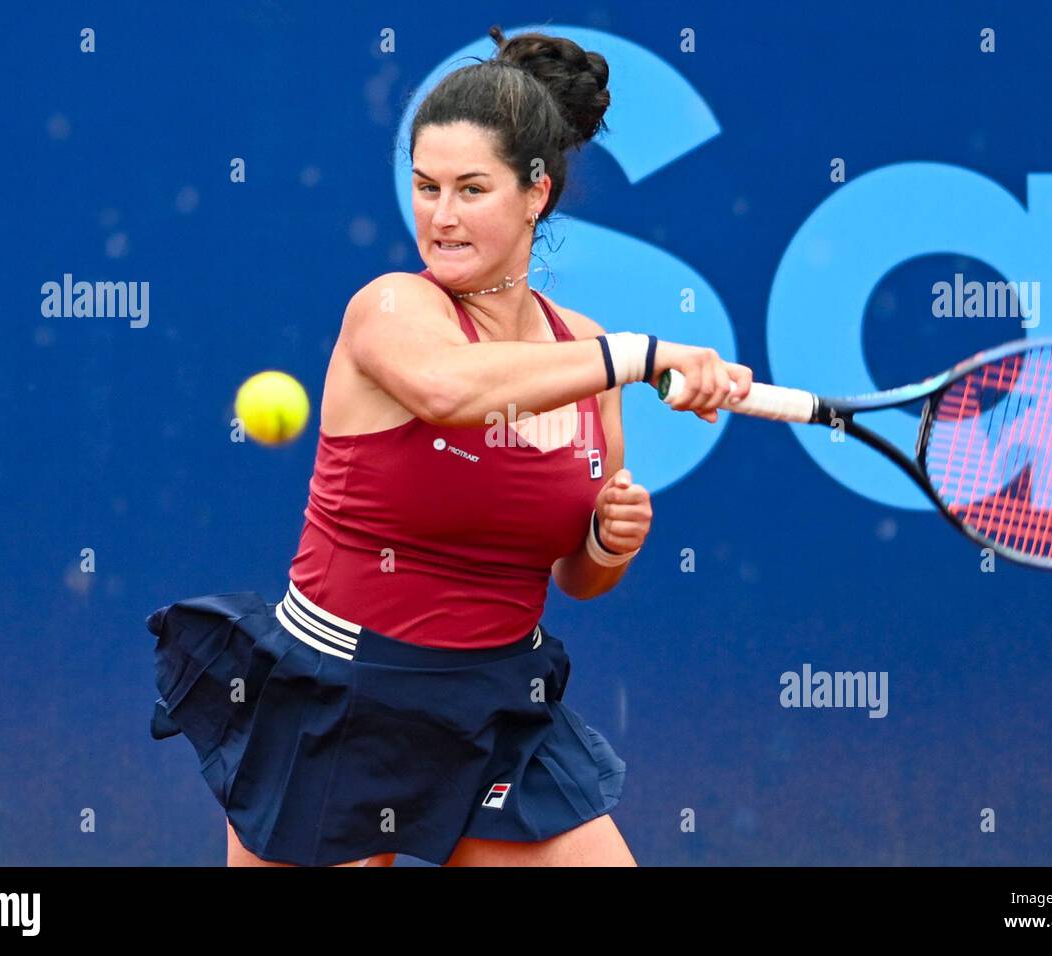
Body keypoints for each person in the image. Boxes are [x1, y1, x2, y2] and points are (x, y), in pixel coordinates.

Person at [146, 24, 753, 868]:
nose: (442, 215)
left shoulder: (583, 354)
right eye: (427, 187)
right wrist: (649, 354)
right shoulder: (393, 309)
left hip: (494, 709)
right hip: (339, 697)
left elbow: (580, 581)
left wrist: (607, 539)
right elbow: (450, 392)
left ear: (535, 193)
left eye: (472, 189)